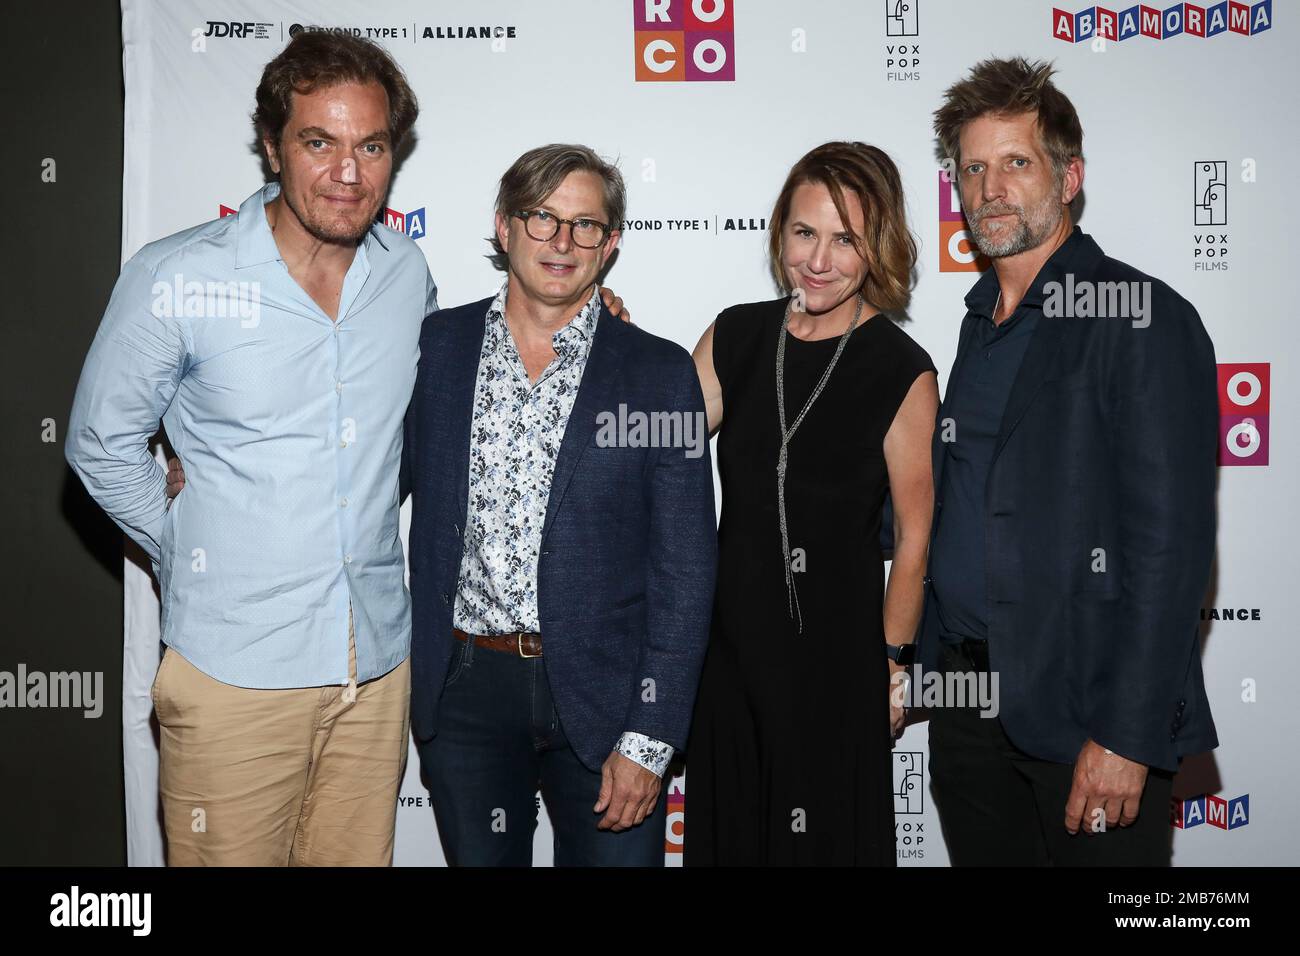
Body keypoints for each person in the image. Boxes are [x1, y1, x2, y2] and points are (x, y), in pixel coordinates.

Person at [69, 32, 628, 867]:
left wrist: (584, 322)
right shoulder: (174, 277)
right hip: (234, 673)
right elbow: (99, 443)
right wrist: (190, 539)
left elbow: (451, 400)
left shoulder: (406, 276)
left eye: (370, 146)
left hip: (376, 673)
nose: (348, 172)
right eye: (318, 142)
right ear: (271, 146)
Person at [920, 56, 1218, 866]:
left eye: (1016, 163)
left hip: (1089, 714)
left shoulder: (1141, 316)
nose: (989, 189)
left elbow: (1173, 550)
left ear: (1070, 175)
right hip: (968, 707)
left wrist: (1128, 732)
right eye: (972, 169)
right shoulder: (976, 324)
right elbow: (962, 503)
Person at [404, 144, 717, 866]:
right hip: (467, 692)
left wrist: (650, 737)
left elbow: (686, 571)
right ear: (503, 227)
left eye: (584, 225)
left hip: (611, 698)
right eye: (541, 218)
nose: (561, 242)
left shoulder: (657, 371)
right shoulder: (436, 349)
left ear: (610, 246)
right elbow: (369, 476)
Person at [684, 142, 939, 866]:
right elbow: (658, 438)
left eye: (845, 239)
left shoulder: (900, 370)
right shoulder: (735, 335)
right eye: (804, 233)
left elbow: (916, 537)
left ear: (877, 246)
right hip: (729, 658)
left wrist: (891, 665)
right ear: (779, 234)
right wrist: (596, 336)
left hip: (837, 669)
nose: (818, 261)